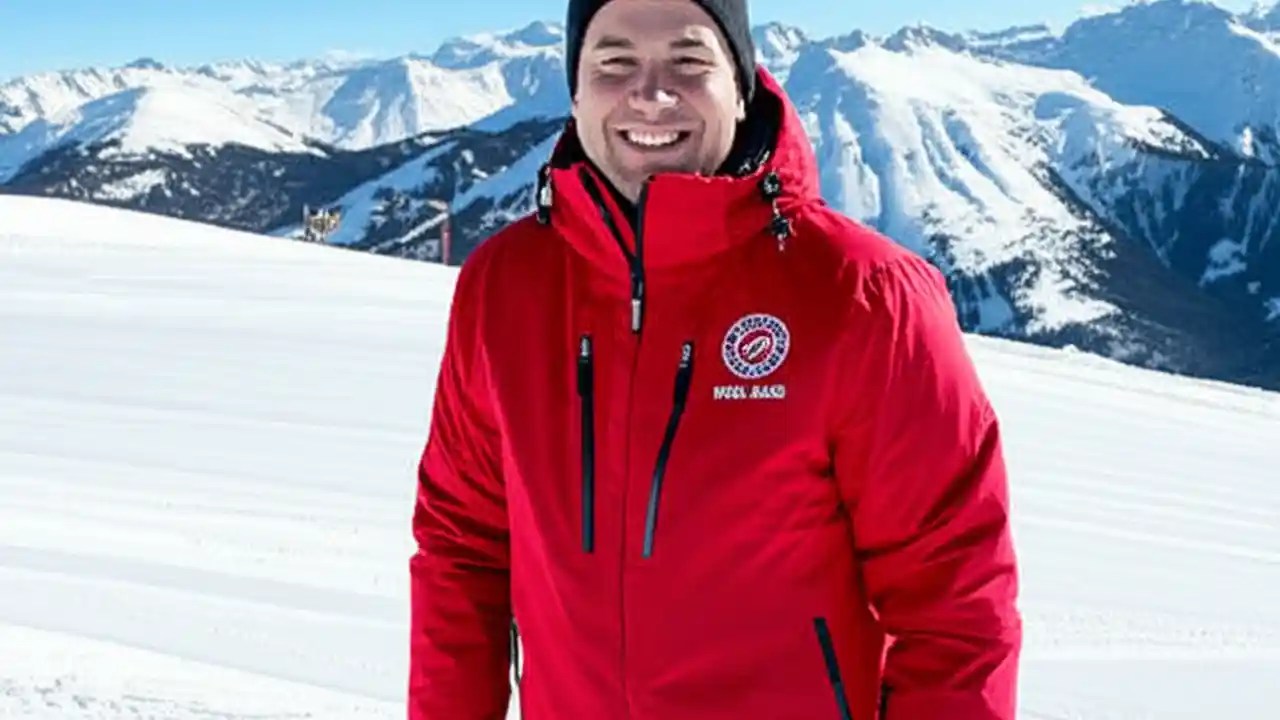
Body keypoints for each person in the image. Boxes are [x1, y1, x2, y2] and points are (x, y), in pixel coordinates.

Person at [408, 0, 1022, 717]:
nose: (651, 92)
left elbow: (956, 606)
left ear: (742, 83)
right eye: (614, 62)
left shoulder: (865, 297)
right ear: (575, 91)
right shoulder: (504, 287)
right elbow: (463, 552)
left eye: (689, 60)